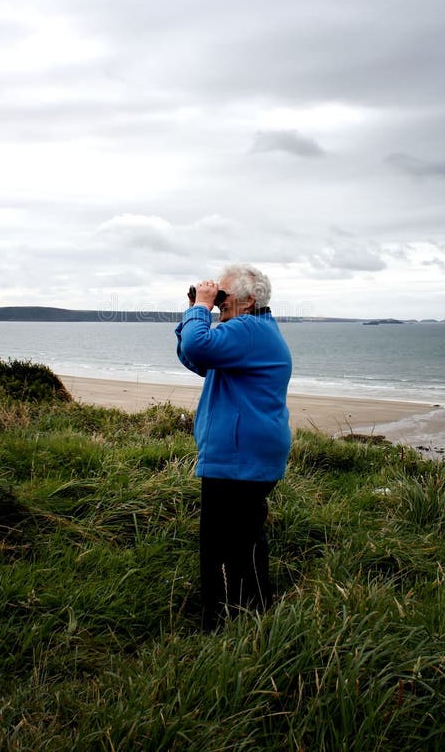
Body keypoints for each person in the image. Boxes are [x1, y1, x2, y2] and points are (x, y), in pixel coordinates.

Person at [175, 263, 292, 630]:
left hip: (239, 458)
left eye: (223, 296)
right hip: (245, 456)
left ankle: (221, 623)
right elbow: (194, 356)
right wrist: (198, 308)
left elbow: (198, 343)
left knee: (219, 546)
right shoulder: (251, 332)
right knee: (244, 539)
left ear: (249, 299)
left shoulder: (248, 329)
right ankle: (255, 612)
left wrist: (200, 310)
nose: (219, 302)